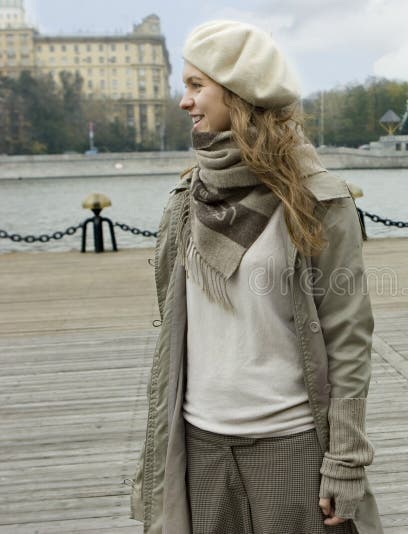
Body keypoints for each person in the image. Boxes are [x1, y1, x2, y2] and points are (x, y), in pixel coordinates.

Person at [129, 20, 382, 534]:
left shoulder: (316, 200)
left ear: (239, 93)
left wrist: (346, 458)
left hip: (290, 445)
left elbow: (349, 336)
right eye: (186, 86)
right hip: (199, 443)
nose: (185, 101)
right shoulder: (187, 199)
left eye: (197, 85)